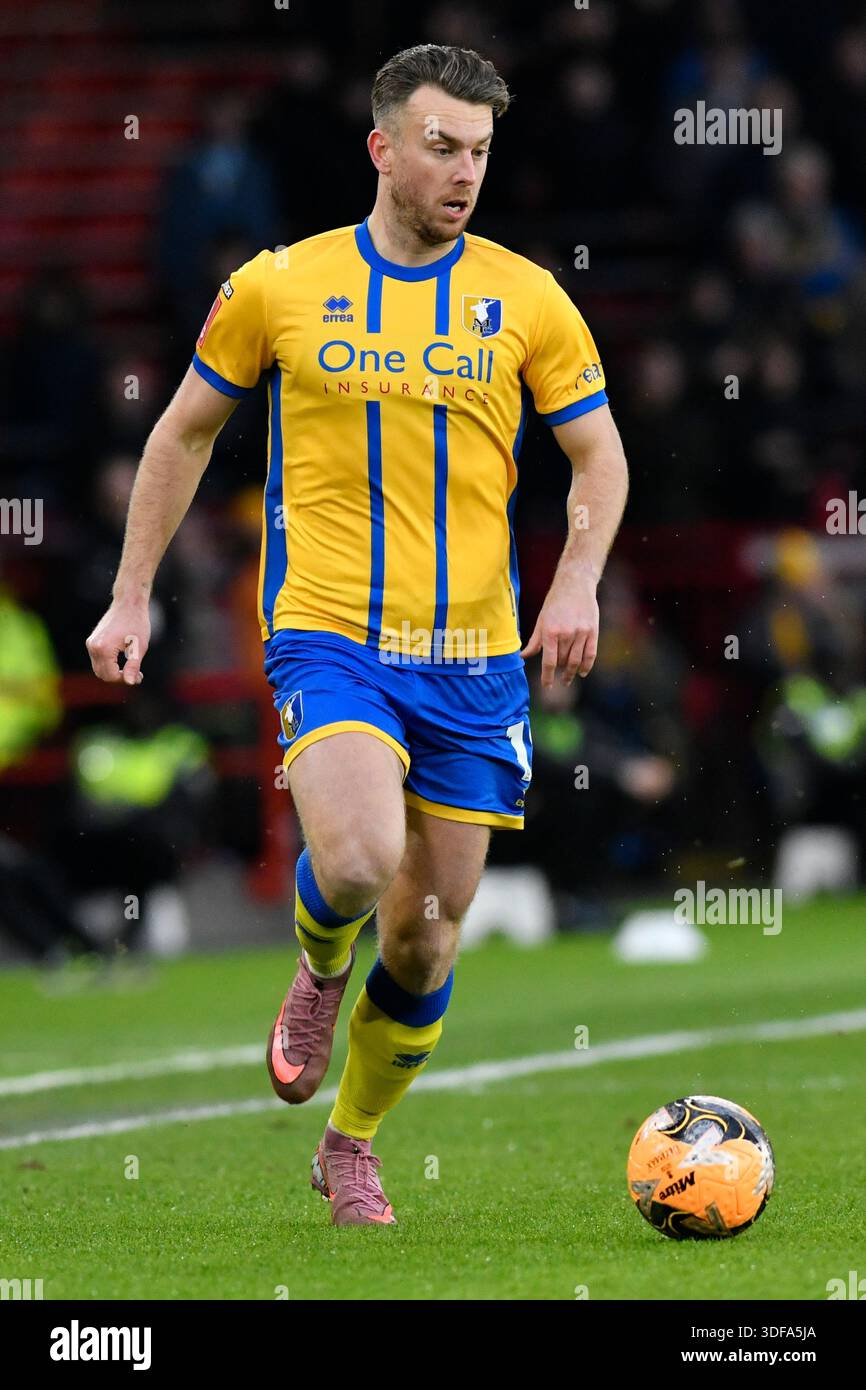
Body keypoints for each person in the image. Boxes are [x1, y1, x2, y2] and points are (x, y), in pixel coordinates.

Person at [86, 44, 629, 1226]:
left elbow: (597, 455)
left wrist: (576, 581)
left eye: (479, 152)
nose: (463, 172)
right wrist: (134, 592)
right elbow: (179, 436)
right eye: (441, 146)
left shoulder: (526, 296)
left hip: (476, 661)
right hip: (331, 636)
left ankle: (350, 1146)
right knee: (352, 858)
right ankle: (319, 968)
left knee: (428, 948)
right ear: (381, 147)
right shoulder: (277, 286)